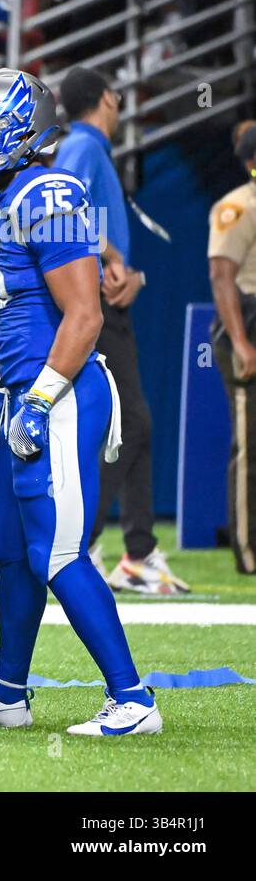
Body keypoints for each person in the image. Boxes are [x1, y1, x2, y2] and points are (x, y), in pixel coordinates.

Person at [0, 68, 161, 736]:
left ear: (20, 134)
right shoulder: (7, 195)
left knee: (58, 552)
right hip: (25, 392)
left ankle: (133, 699)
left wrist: (35, 397)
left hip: (57, 396)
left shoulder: (51, 191)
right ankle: (7, 688)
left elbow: (84, 317)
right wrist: (5, 396)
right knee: (8, 546)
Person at [56, 66, 187, 594]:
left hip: (104, 302)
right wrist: (111, 258)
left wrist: (130, 272)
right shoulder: (83, 149)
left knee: (132, 423)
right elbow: (63, 209)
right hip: (93, 308)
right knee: (130, 420)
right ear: (108, 98)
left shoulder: (86, 148)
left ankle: (135, 551)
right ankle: (84, 544)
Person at [208, 121, 256, 577]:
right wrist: (241, 340)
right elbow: (222, 277)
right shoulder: (236, 208)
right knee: (249, 444)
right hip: (248, 322)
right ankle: (248, 549)